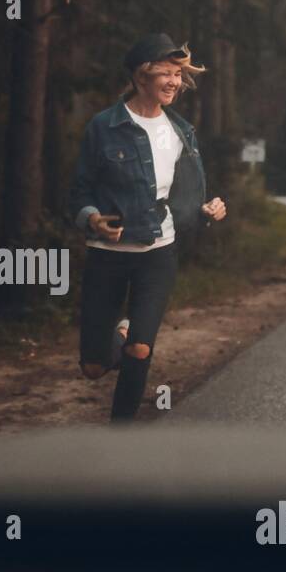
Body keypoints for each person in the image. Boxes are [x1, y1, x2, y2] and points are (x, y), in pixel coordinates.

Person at [68, 33, 226, 423]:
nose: (175, 81)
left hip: (158, 254)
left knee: (142, 349)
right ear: (142, 76)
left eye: (178, 74)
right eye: (166, 73)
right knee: (92, 366)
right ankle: (120, 334)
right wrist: (91, 218)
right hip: (107, 258)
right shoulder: (103, 127)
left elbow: (185, 196)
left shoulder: (181, 131)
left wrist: (207, 210)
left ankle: (121, 441)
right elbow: (80, 190)